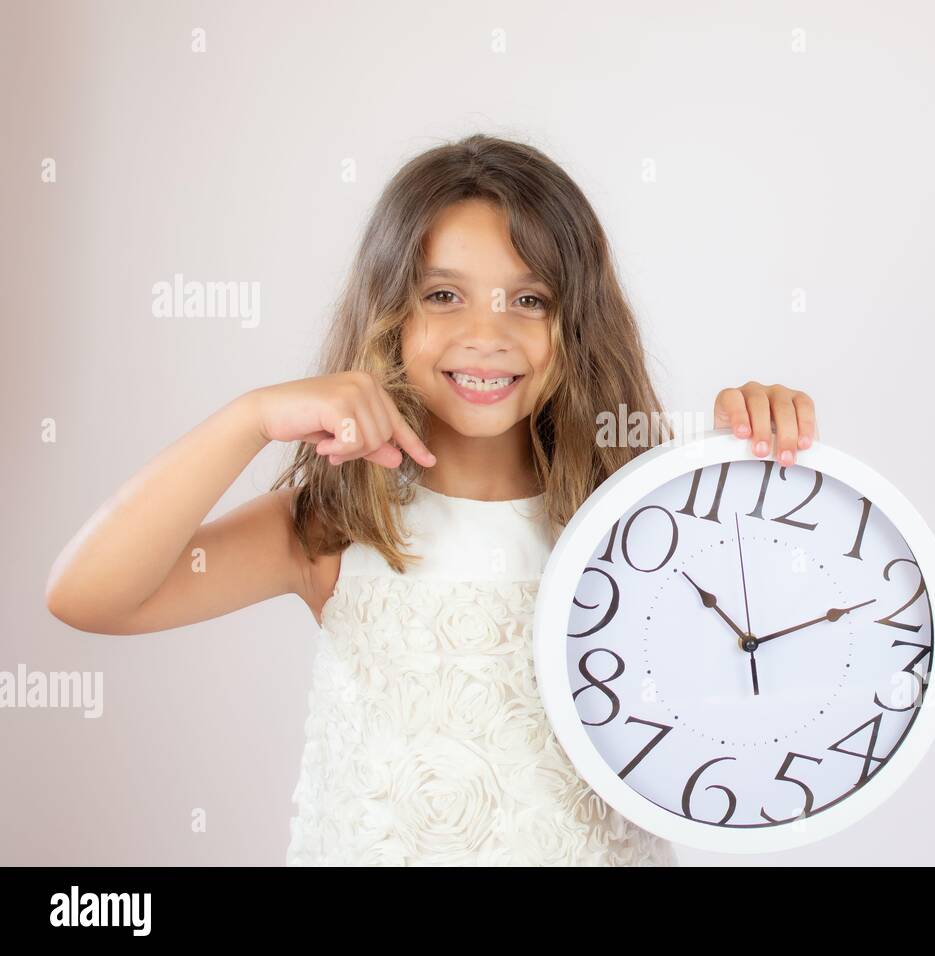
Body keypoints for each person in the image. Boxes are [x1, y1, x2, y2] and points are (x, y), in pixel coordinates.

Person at [45, 133, 819, 865]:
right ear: (388, 314)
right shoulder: (331, 531)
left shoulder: (644, 528)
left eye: (530, 300)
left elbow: (774, 686)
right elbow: (89, 595)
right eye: (444, 294)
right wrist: (249, 419)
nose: (487, 334)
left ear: (576, 325)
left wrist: (745, 462)